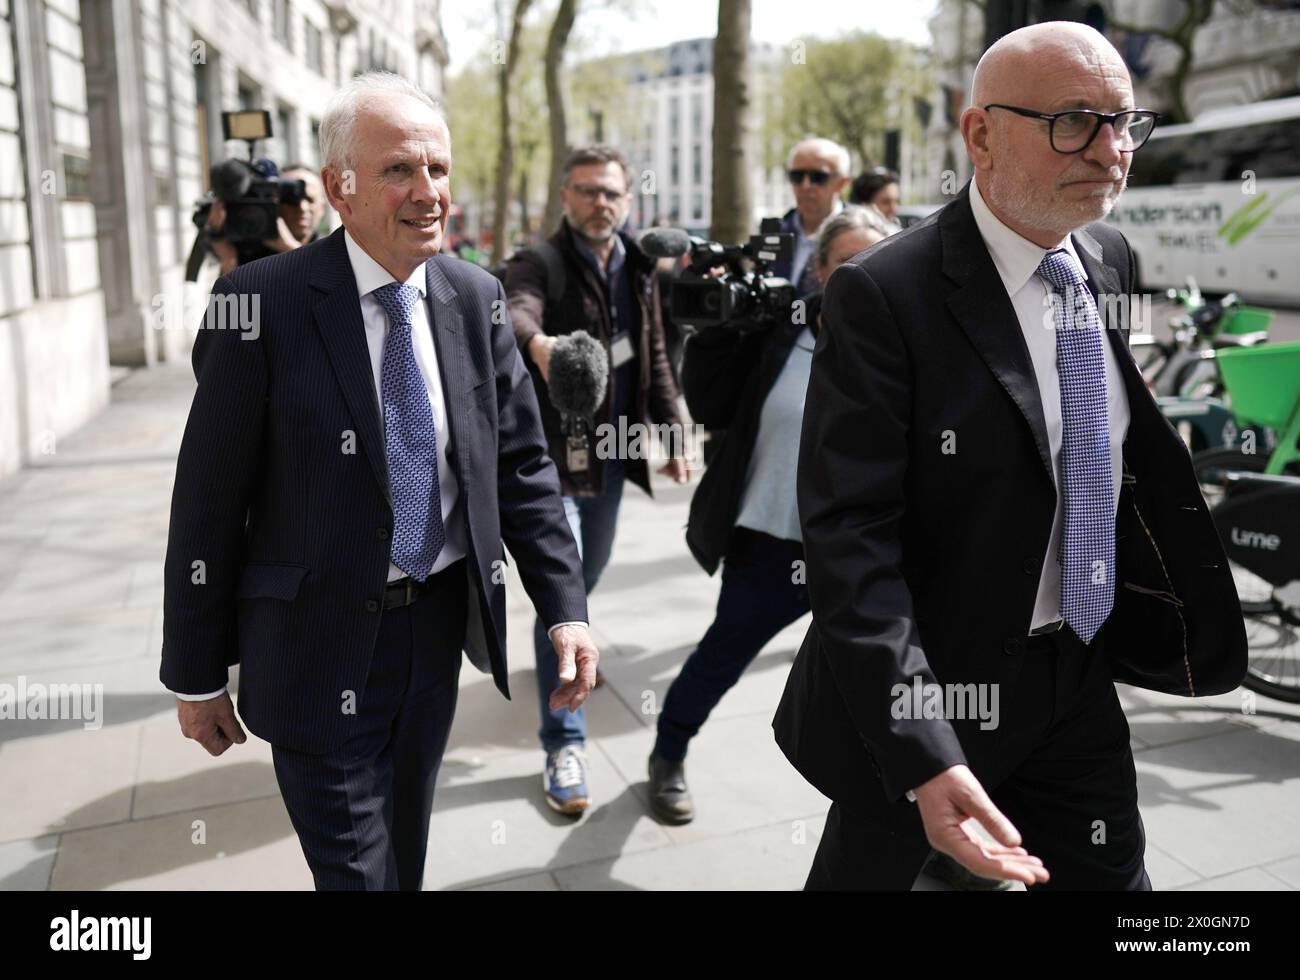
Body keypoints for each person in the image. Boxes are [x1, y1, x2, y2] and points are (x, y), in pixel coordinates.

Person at [774, 21, 1247, 890]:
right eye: (1074, 120)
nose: (1110, 151)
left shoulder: (1107, 255)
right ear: (980, 134)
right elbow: (851, 542)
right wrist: (922, 752)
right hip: (933, 695)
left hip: (1077, 679)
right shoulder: (884, 294)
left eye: (1124, 122)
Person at [161, 71, 599, 890]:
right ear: (340, 189)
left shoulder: (476, 298)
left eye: (437, 168)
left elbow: (522, 467)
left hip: (432, 639)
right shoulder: (259, 303)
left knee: (404, 855)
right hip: (310, 647)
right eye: (400, 169)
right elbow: (207, 499)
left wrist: (565, 609)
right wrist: (195, 669)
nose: (428, 191)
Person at [648, 206, 893, 823]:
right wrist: (714, 334)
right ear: (817, 268)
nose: (862, 275)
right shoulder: (778, 329)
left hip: (867, 549)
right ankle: (668, 752)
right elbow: (709, 402)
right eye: (846, 263)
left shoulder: (907, 342)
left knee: (892, 689)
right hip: (772, 542)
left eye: (876, 261)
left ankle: (917, 822)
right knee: (722, 655)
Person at [505, 146, 691, 815]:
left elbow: (654, 350)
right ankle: (564, 742)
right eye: (585, 191)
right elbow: (513, 308)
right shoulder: (539, 261)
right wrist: (542, 345)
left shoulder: (637, 265)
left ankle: (565, 646)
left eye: (610, 192)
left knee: (587, 575)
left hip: (611, 456)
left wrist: (670, 427)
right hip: (551, 457)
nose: (599, 202)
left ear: (627, 199)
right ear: (564, 197)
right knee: (567, 593)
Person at [770, 137, 852, 298]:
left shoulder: (859, 236)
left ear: (842, 183)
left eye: (818, 177)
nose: (805, 186)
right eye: (797, 176)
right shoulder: (775, 232)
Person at [280, 164, 328, 244]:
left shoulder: (338, 251)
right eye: (293, 199)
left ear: (322, 207)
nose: (302, 207)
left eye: (310, 200)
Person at [849, 166, 902, 232]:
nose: (893, 209)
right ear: (864, 204)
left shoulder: (895, 231)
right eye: (886, 202)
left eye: (896, 201)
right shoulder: (848, 235)